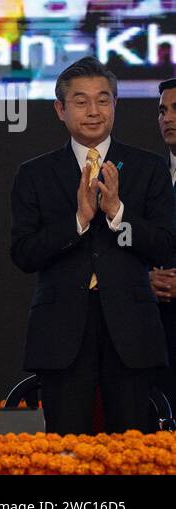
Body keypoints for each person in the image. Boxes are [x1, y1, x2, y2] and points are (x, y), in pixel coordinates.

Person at [11, 57, 174, 434]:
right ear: (60, 109)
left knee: (133, 450)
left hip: (131, 331)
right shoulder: (34, 174)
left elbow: (165, 247)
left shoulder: (148, 168)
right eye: (81, 102)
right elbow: (24, 253)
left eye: (103, 100)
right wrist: (79, 222)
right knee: (67, 450)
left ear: (115, 104)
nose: (93, 111)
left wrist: (117, 213)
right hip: (61, 330)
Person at [148, 78, 176, 416]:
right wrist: (144, 278)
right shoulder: (143, 175)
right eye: (162, 111)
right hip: (156, 336)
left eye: (175, 109)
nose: (167, 118)